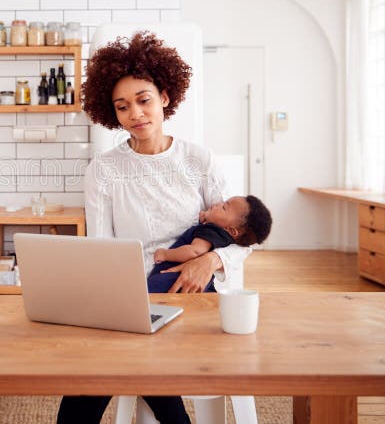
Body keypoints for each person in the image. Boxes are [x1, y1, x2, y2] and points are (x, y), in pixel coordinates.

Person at [57, 31, 253, 424]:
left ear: (164, 97)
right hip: (131, 296)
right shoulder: (104, 170)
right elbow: (100, 247)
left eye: (144, 100)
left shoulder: (199, 159)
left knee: (107, 362)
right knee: (115, 353)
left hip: (196, 295)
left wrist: (210, 260)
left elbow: (245, 235)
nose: (136, 114)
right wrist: (121, 297)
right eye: (123, 106)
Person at [148, 195, 273, 293]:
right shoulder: (221, 234)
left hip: (178, 276)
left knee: (148, 289)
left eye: (224, 207)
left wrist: (165, 254)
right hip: (196, 278)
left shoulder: (211, 230)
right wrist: (206, 216)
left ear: (231, 230)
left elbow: (194, 252)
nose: (218, 204)